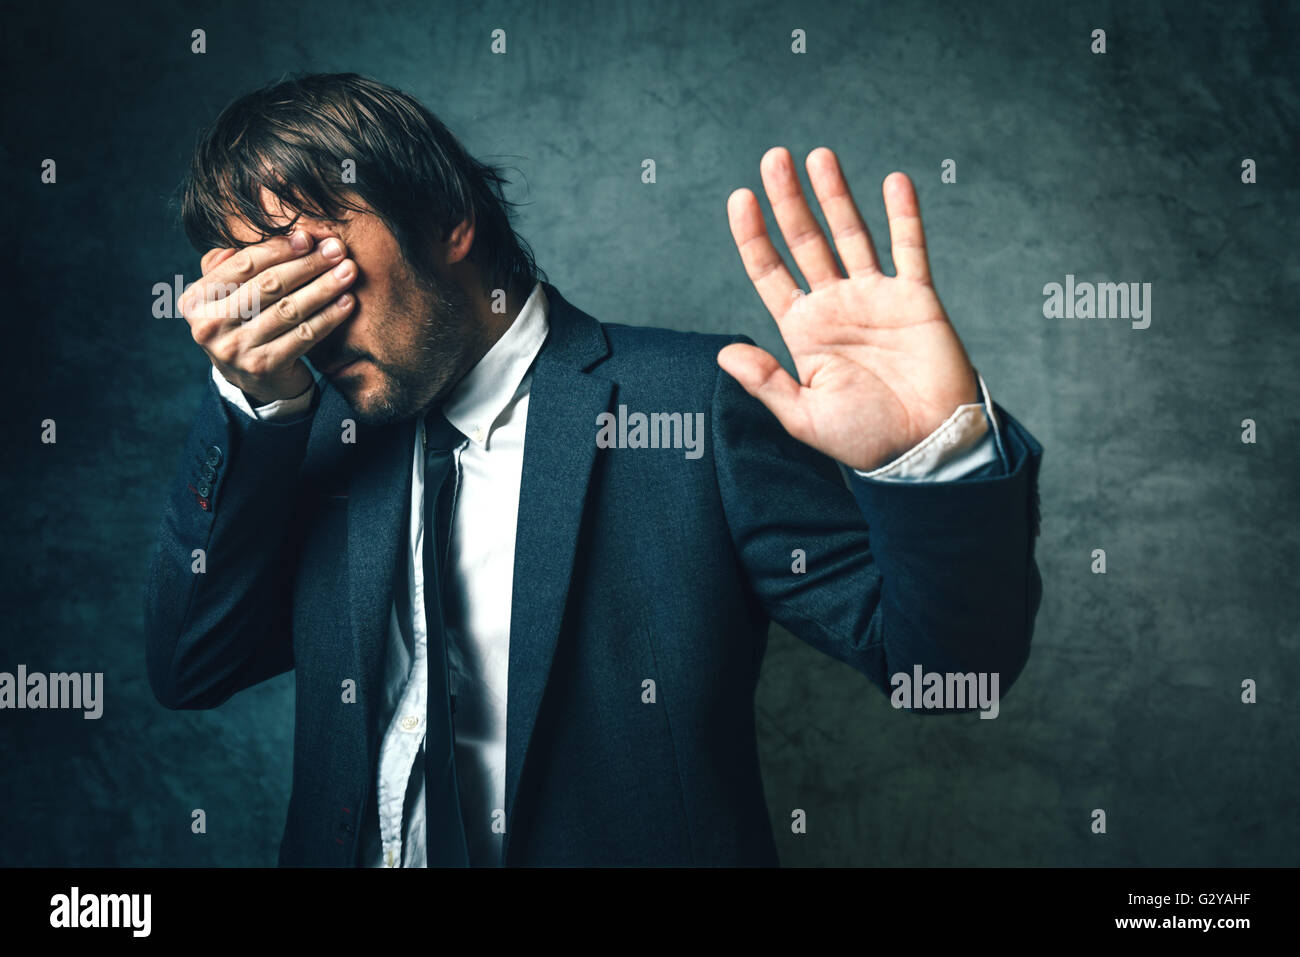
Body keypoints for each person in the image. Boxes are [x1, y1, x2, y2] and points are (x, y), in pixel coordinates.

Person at [144, 73, 1043, 867]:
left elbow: (952, 670)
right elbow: (191, 668)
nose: (294, 314)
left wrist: (934, 457)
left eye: (307, 260)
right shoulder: (299, 438)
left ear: (447, 218)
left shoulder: (694, 404)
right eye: (255, 282)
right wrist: (247, 401)